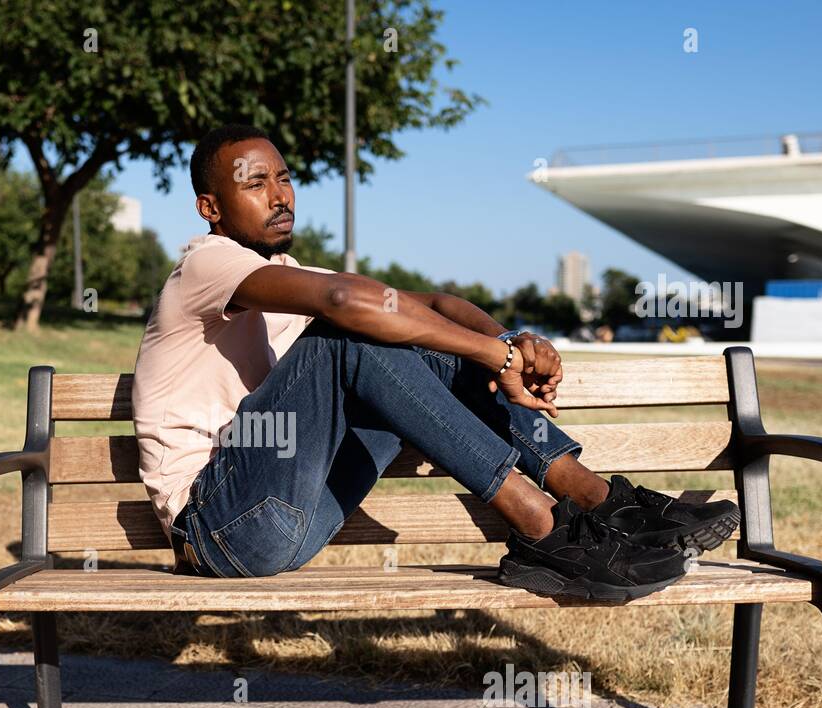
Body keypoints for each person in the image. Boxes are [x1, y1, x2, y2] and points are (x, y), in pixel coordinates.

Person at [131, 125, 739, 601]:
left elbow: (437, 305)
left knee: (413, 337)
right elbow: (347, 304)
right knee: (351, 332)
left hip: (291, 519)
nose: (280, 195)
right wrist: (492, 353)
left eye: (284, 178)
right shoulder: (204, 266)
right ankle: (544, 531)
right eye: (255, 182)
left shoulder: (285, 279)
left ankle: (605, 504)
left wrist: (515, 344)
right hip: (218, 527)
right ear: (210, 207)